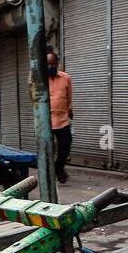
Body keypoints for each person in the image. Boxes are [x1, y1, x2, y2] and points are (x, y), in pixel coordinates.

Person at [46, 47, 74, 184]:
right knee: (47, 150)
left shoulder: (65, 78)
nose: (50, 66)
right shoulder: (40, 79)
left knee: (65, 146)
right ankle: (50, 174)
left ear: (57, 63)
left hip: (62, 120)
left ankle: (59, 168)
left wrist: (70, 110)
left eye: (53, 63)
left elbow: (69, 97)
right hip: (46, 122)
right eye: (48, 64)